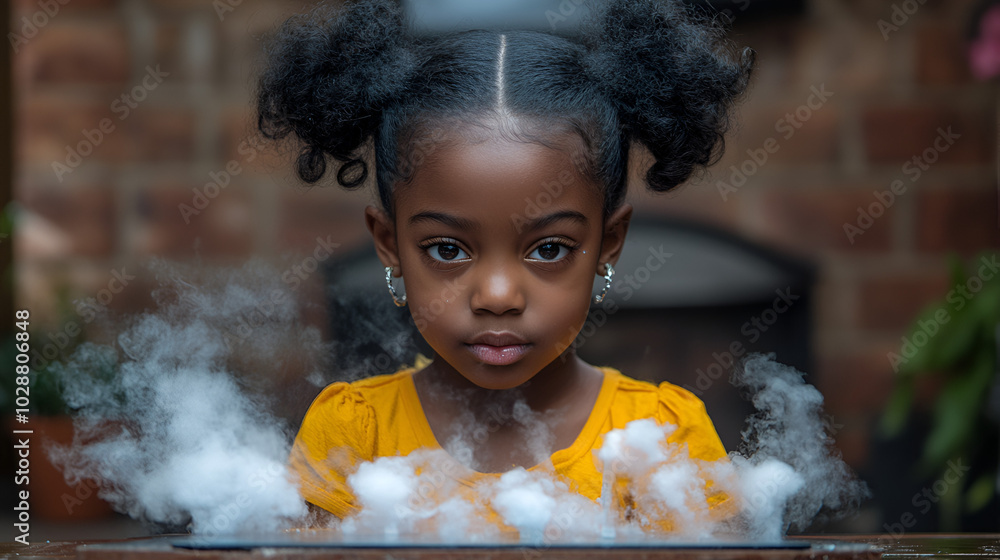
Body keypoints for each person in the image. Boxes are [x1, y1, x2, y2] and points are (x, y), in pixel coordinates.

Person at [255, 0, 754, 533]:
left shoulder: (660, 438)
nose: (497, 294)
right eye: (447, 249)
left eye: (549, 248)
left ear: (609, 243)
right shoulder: (353, 436)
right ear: (389, 244)